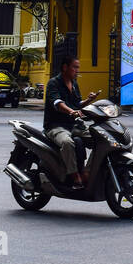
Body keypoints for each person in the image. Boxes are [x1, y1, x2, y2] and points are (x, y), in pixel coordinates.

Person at [44, 56, 99, 189]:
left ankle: (86, 172)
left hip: (74, 125)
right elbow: (58, 103)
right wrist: (71, 112)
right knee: (67, 142)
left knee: (100, 139)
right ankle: (74, 175)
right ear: (65, 67)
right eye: (75, 67)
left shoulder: (74, 84)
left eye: (78, 67)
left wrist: (89, 100)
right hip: (56, 126)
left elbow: (77, 104)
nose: (77, 70)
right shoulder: (53, 83)